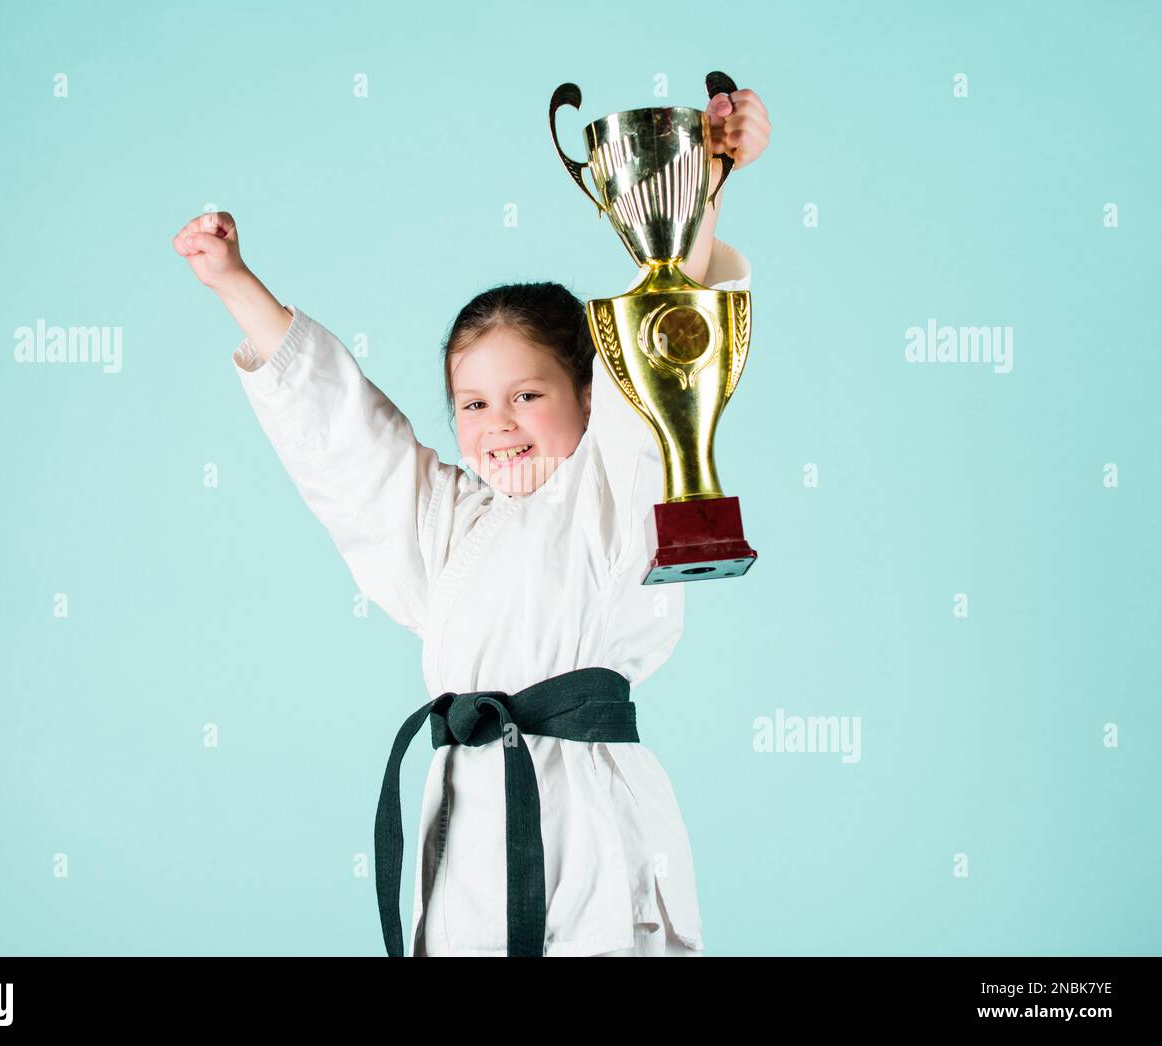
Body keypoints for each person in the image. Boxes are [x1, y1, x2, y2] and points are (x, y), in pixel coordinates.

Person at [172, 88, 772, 956]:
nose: (499, 424)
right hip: (462, 822)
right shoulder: (452, 524)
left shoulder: (614, 481)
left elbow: (665, 348)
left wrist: (704, 190)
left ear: (594, 395)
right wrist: (234, 283)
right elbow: (344, 440)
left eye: (529, 395)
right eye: (474, 403)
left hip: (594, 820)